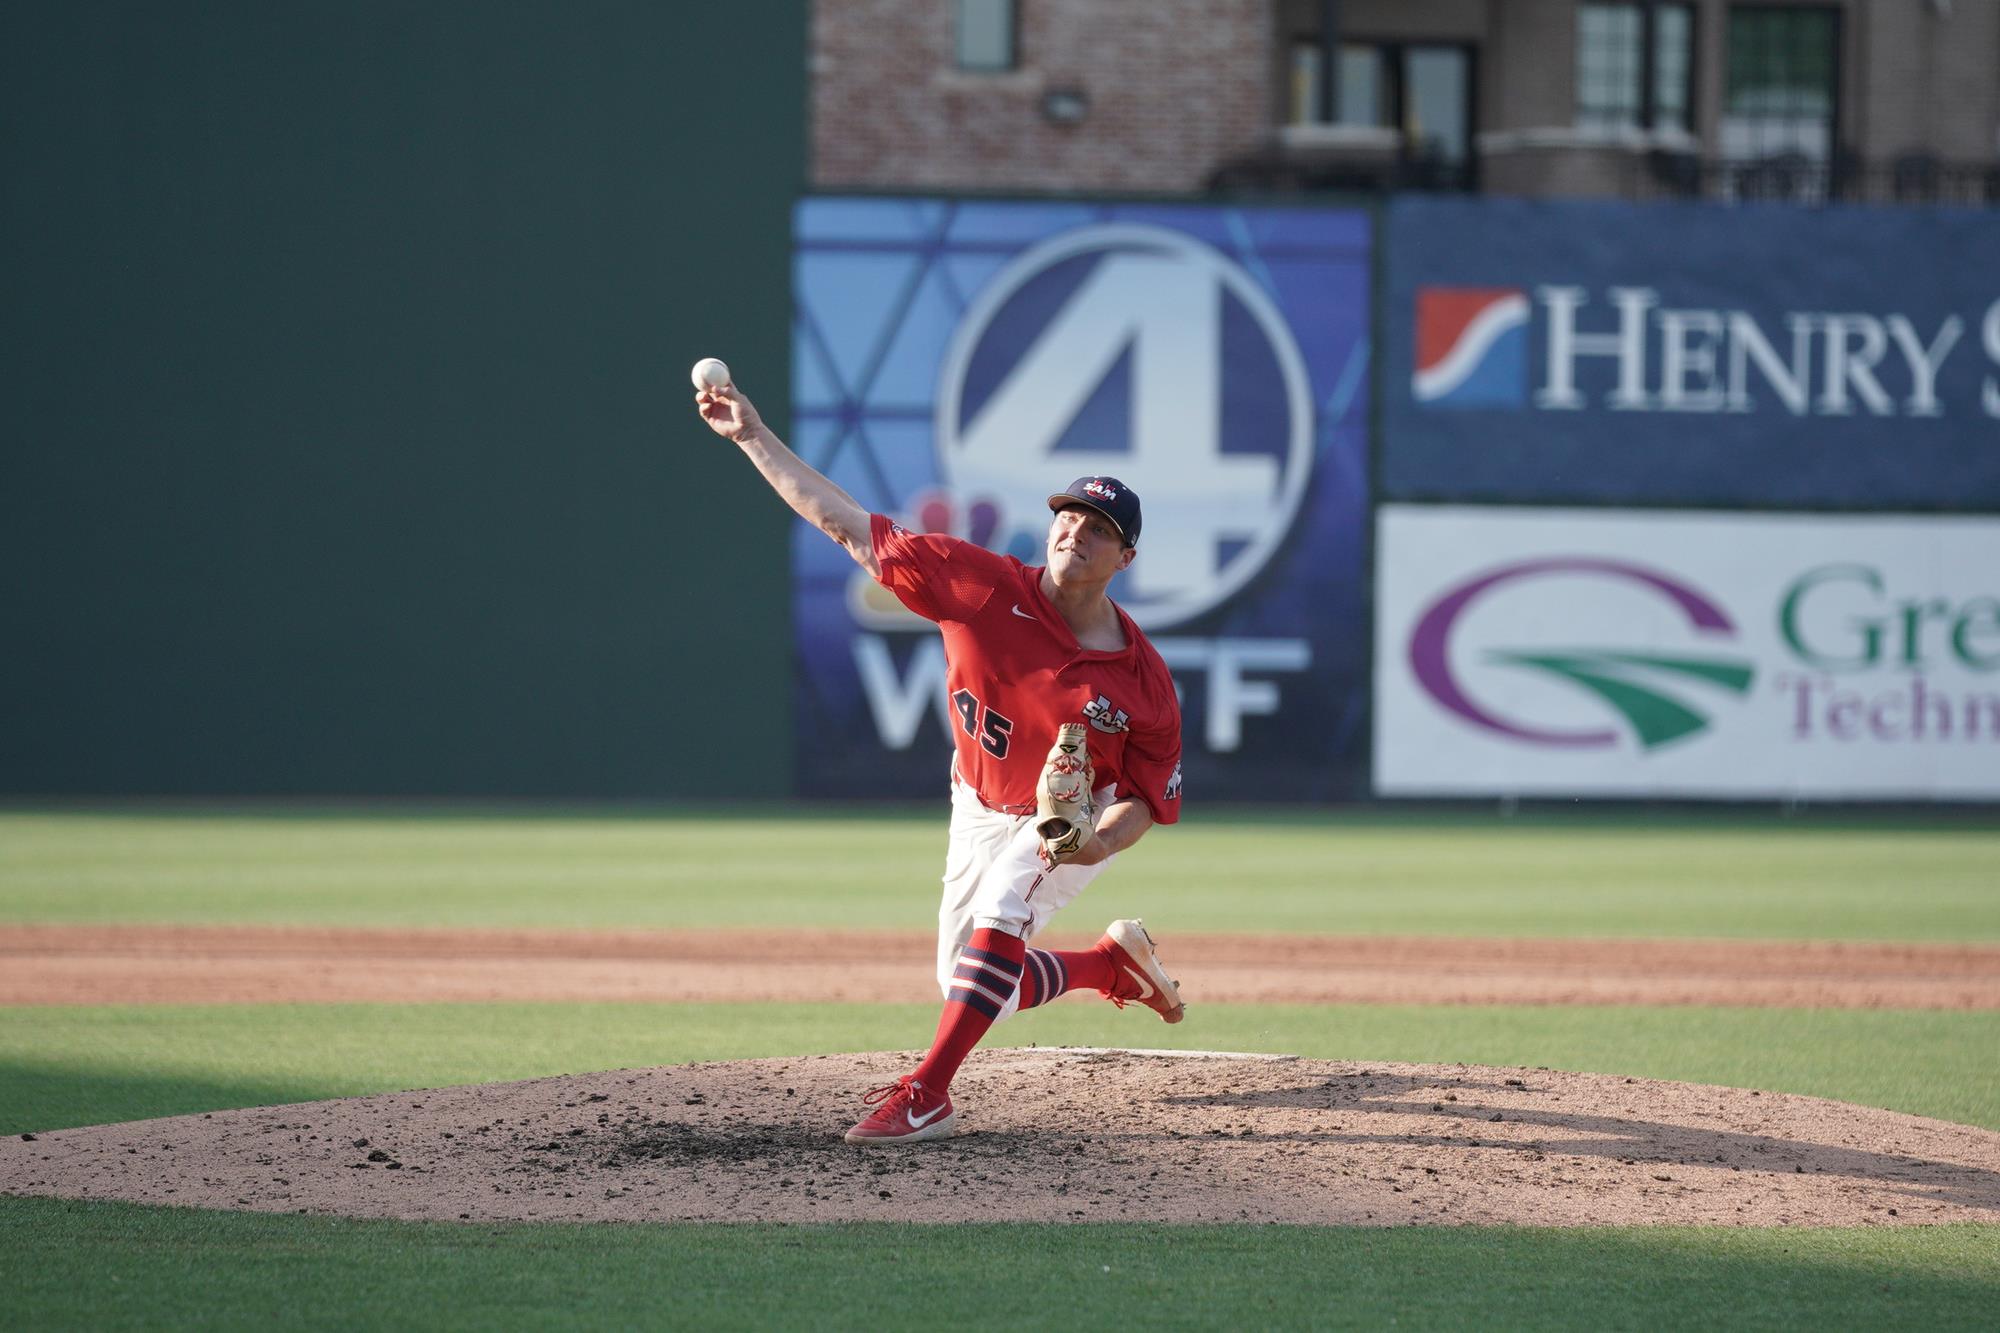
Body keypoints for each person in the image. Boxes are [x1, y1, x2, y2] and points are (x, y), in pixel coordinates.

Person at [696, 372, 1186, 1146]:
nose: (1075, 533)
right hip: (976, 803)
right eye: (1068, 516)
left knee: (1005, 907)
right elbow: (846, 525)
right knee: (969, 979)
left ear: (1123, 556)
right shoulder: (980, 585)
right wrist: (752, 434)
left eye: (1097, 528)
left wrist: (1095, 841)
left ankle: (928, 1093)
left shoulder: (1142, 681)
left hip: (1060, 821)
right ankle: (1108, 966)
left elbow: (1145, 802)